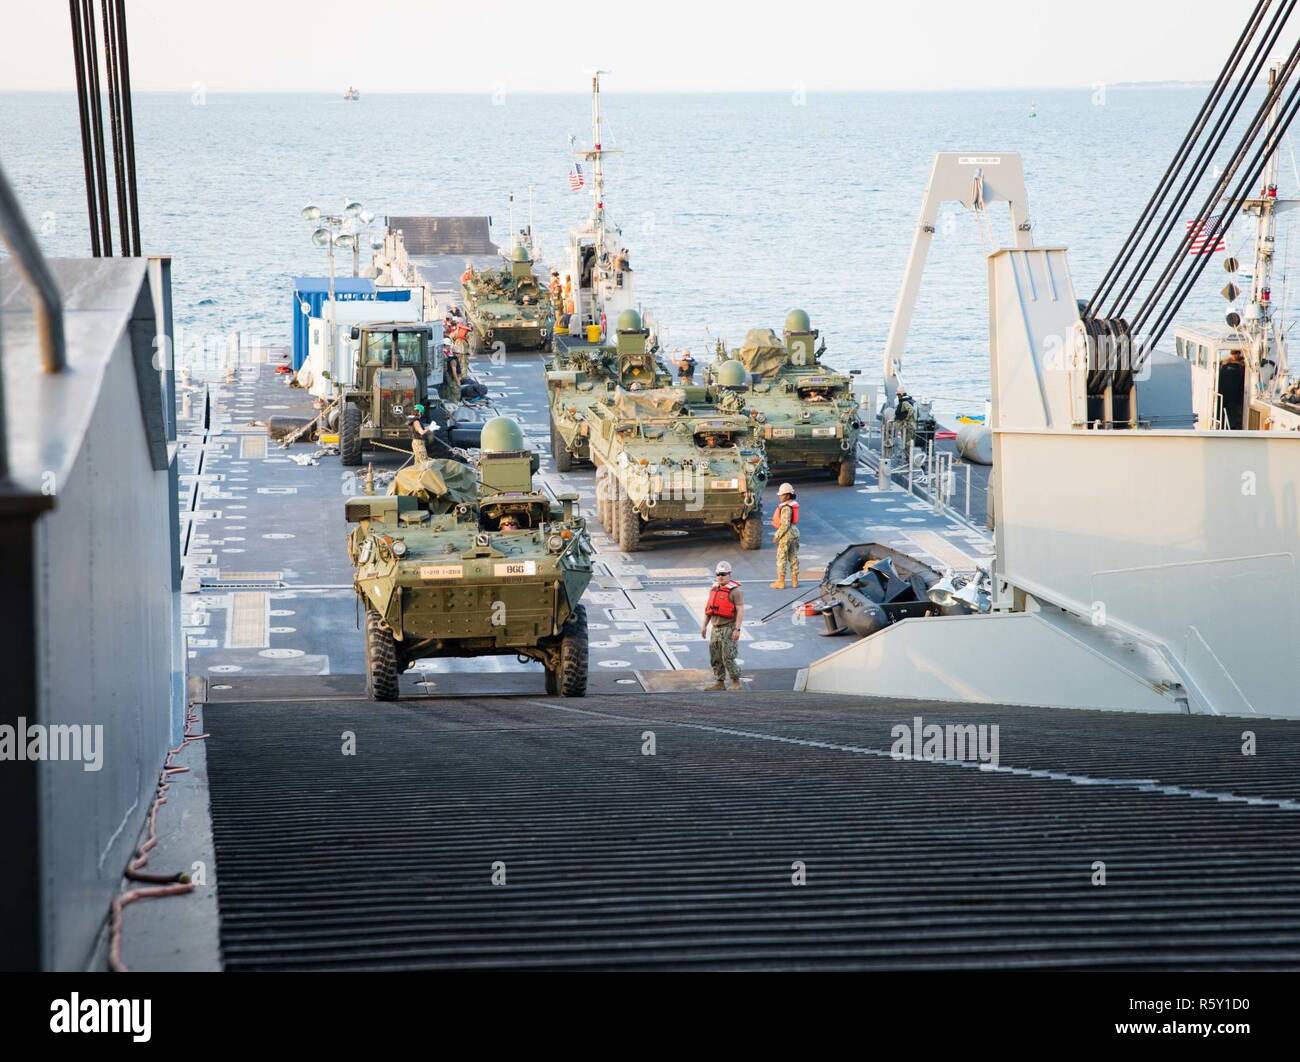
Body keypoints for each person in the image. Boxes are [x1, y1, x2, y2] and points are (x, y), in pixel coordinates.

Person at [701, 561, 744, 691]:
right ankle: (720, 682)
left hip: (728, 627)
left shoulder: (735, 591)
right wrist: (704, 626)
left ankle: (736, 681)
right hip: (716, 628)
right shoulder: (714, 589)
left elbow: (740, 610)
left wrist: (737, 629)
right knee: (715, 656)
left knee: (728, 656)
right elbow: (709, 610)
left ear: (729, 574)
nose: (720, 576)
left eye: (723, 574)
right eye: (718, 574)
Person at [770, 483, 800, 589]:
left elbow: (785, 524)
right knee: (793, 557)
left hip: (786, 535)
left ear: (787, 495)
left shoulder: (786, 508)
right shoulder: (792, 504)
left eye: (782, 495)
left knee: (781, 558)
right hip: (794, 533)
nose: (780, 496)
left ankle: (781, 581)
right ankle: (794, 581)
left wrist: (777, 536)